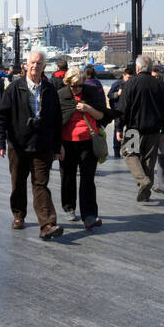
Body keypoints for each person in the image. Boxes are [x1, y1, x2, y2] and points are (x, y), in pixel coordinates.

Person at [0, 50, 65, 241]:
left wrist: (58, 146)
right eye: (32, 63)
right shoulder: (14, 88)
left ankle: (47, 224)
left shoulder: (50, 91)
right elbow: (1, 116)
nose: (35, 66)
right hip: (18, 146)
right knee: (18, 183)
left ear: (44, 67)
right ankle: (19, 214)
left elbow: (57, 120)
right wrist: (0, 142)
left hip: (42, 146)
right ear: (26, 65)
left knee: (40, 184)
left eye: (39, 63)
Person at [56, 67, 105, 231]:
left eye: (80, 85)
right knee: (68, 177)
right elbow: (56, 121)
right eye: (74, 86)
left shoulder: (91, 92)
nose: (77, 89)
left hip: (88, 141)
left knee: (88, 179)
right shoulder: (61, 95)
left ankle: (89, 215)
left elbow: (101, 115)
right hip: (67, 142)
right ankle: (69, 206)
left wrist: (87, 108)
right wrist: (57, 146)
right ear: (68, 84)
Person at [117, 56, 164, 201]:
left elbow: (123, 108)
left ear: (137, 68)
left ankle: (143, 181)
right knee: (149, 160)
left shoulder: (130, 84)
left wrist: (118, 127)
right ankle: (145, 194)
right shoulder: (160, 85)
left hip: (134, 129)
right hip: (154, 129)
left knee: (129, 154)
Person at [107, 69, 131, 158]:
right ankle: (116, 150)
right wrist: (117, 94)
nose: (129, 80)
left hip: (130, 111)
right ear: (124, 75)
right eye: (128, 77)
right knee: (117, 130)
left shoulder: (133, 84)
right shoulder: (117, 84)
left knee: (131, 129)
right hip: (118, 111)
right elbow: (109, 95)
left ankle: (131, 150)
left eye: (131, 78)